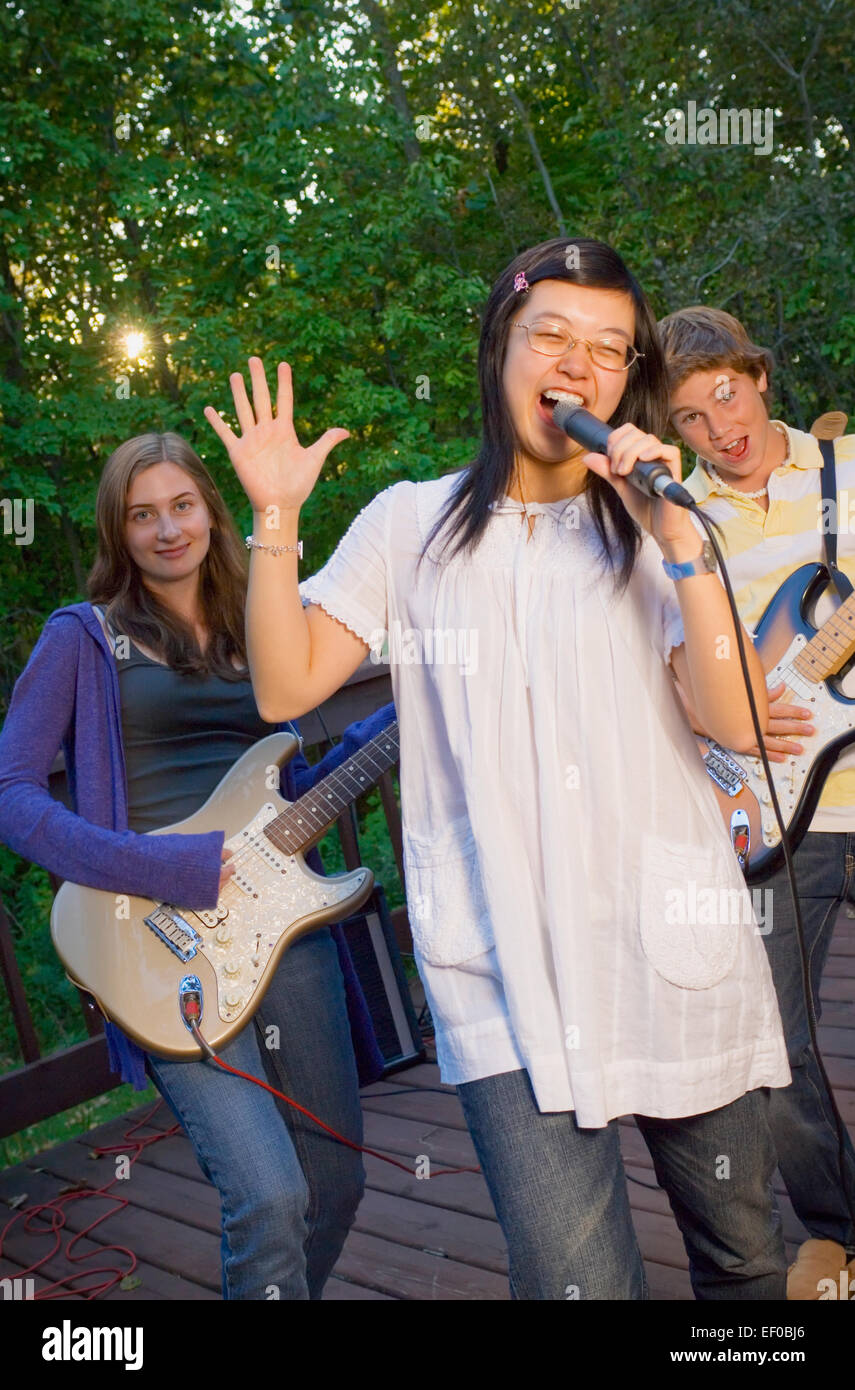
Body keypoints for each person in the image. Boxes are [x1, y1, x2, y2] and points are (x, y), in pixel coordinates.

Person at [206, 237, 793, 1301]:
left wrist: (684, 550)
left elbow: (733, 717)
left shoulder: (651, 519)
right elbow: (286, 687)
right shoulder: (407, 524)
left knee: (745, 1256)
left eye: (609, 350)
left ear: (626, 383)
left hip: (671, 942)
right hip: (503, 967)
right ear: (498, 350)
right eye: (552, 336)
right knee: (573, 1281)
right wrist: (276, 515)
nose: (578, 365)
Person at [0, 431, 396, 1300]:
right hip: (156, 938)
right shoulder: (85, 639)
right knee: (267, 1193)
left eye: (182, 506)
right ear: (118, 531)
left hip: (286, 924)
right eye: (142, 515)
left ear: (212, 512)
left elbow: (290, 794)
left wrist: (395, 729)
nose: (167, 530)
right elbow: (11, 794)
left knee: (334, 1183)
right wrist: (160, 867)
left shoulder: (265, 621)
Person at [660, 304, 855, 1297]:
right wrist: (721, 714)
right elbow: (672, 669)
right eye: (687, 417)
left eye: (723, 394)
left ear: (759, 375)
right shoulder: (676, 519)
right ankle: (841, 1229)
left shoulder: (849, 471)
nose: (715, 428)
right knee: (773, 1051)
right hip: (774, 813)